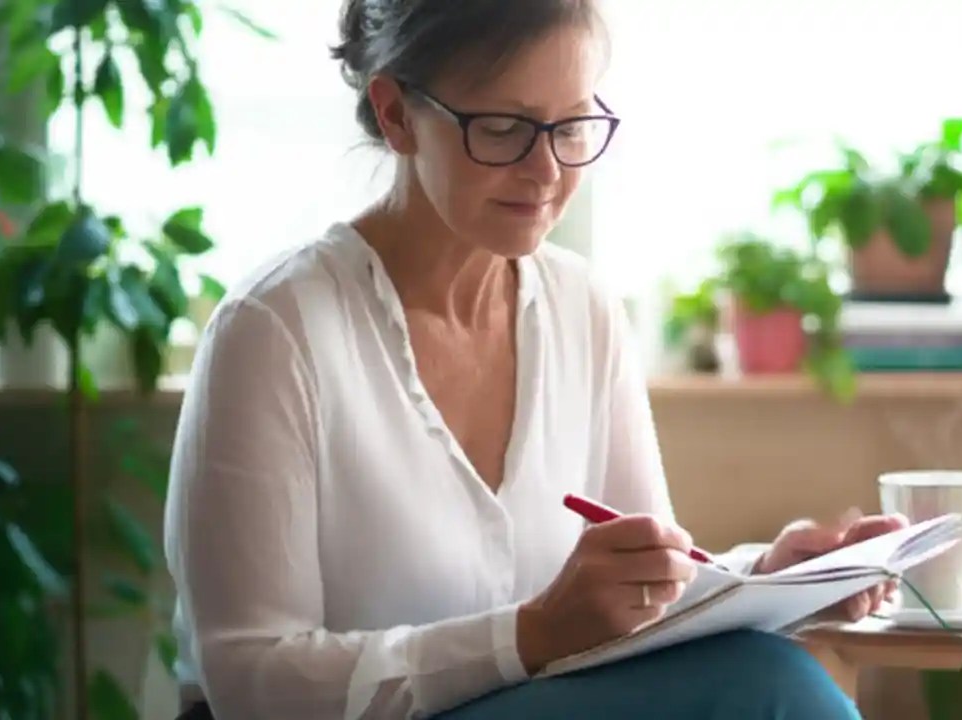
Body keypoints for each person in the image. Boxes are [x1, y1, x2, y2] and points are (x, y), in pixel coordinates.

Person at [163, 1, 907, 718]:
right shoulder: (275, 330)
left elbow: (642, 597)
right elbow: (249, 681)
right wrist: (531, 635)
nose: (547, 170)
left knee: (767, 674)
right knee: (764, 688)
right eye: (505, 128)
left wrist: (769, 577)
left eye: (571, 126)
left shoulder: (581, 307)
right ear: (395, 114)